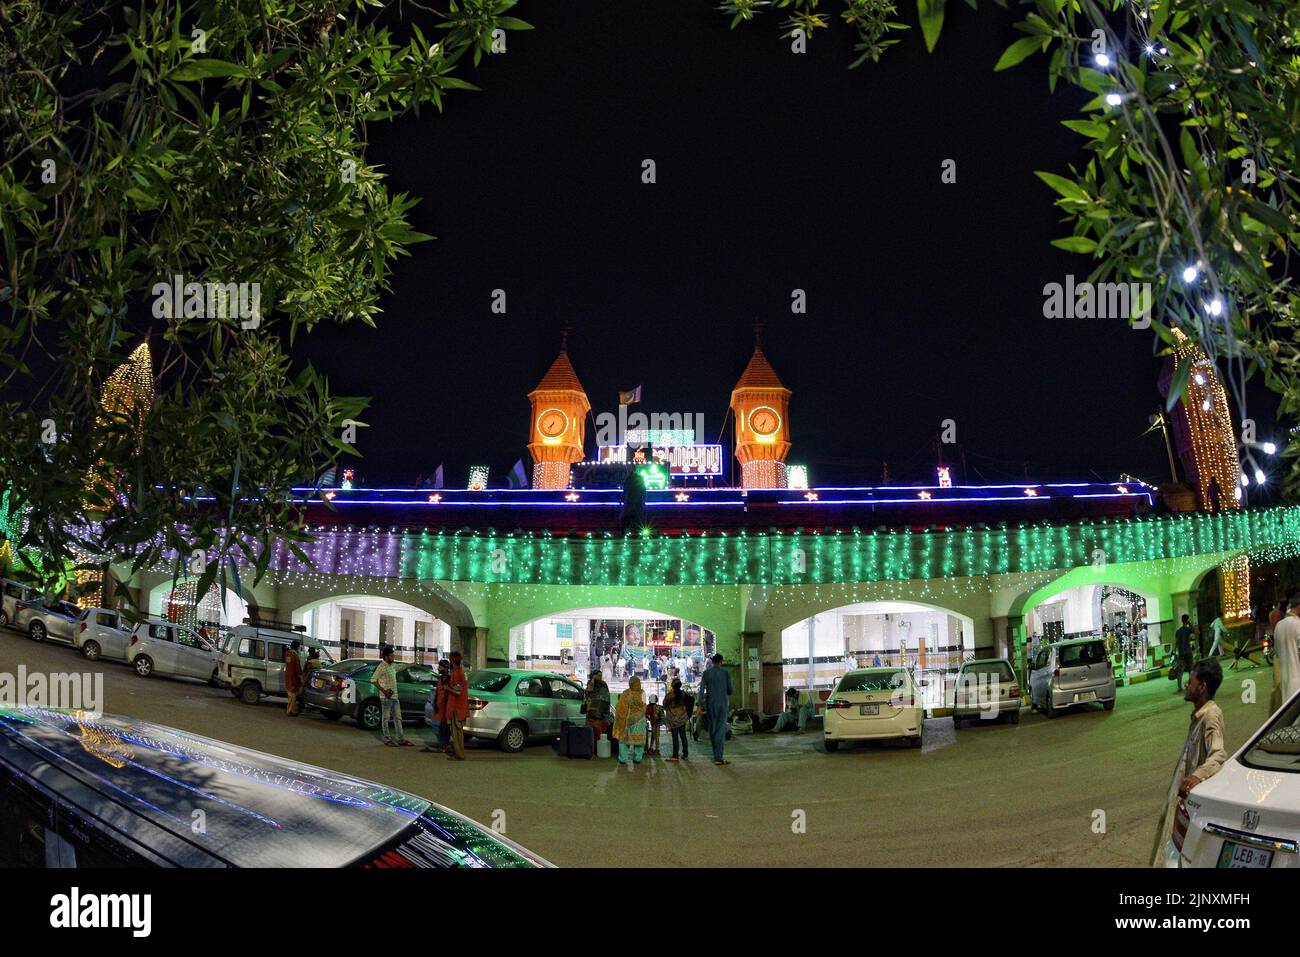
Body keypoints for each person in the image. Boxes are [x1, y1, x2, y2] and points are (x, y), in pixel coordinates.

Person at [1151, 659, 1227, 865]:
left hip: (1193, 808)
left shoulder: (1211, 715)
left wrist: (1196, 776)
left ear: (1202, 687)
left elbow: (1218, 754)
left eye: (1191, 681)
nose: (1186, 684)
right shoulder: (1199, 716)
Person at [699, 653, 734, 765]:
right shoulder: (725, 673)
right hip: (722, 704)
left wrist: (700, 704)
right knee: (720, 730)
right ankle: (718, 757)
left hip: (710, 705)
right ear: (721, 661)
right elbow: (730, 690)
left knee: (713, 729)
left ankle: (716, 755)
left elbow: (701, 691)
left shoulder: (706, 673)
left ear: (712, 661)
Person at [373, 645, 411, 747]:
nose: (393, 657)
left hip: (395, 698)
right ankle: (387, 739)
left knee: (398, 718)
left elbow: (401, 667)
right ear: (386, 657)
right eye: (391, 656)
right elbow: (373, 680)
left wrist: (412, 664)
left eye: (393, 655)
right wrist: (384, 691)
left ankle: (401, 739)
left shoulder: (392, 666)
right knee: (385, 718)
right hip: (386, 698)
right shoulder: (382, 667)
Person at [1272, 595, 1300, 712]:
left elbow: (1277, 654)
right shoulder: (1298, 624)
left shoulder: (1279, 626)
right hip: (1297, 679)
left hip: (1284, 679)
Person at [612, 676, 648, 768]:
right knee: (639, 741)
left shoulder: (626, 693)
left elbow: (620, 707)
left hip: (627, 720)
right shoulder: (642, 693)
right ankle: (637, 758)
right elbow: (644, 707)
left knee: (624, 740)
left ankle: (623, 758)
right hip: (640, 720)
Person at [422, 658, 452, 753]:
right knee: (438, 726)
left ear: (445, 668)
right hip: (439, 707)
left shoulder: (448, 679)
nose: (438, 668)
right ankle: (444, 745)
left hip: (444, 708)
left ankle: (444, 745)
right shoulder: (441, 678)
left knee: (440, 727)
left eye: (440, 667)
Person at [445, 650, 469, 760]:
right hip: (458, 708)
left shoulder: (457, 673)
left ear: (452, 660)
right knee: (458, 733)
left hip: (457, 708)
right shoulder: (459, 672)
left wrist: (447, 688)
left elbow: (458, 691)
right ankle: (459, 753)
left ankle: (459, 755)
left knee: (457, 733)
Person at [662, 678, 693, 762]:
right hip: (682, 718)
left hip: (673, 720)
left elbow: (664, 706)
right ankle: (685, 754)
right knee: (683, 736)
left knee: (675, 737)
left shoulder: (669, 695)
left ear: (672, 685)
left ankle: (675, 755)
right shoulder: (684, 694)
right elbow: (691, 701)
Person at [583, 669, 612, 747]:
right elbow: (588, 691)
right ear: (593, 675)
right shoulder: (590, 683)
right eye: (598, 675)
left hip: (602, 711)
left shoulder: (603, 684)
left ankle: (599, 747)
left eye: (601, 675)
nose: (600, 677)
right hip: (592, 711)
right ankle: (591, 746)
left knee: (601, 732)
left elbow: (607, 696)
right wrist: (593, 680)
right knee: (592, 731)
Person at [1173, 614, 1196, 692]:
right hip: (1188, 652)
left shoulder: (1178, 631)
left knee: (1180, 670)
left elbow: (1176, 643)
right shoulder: (1187, 629)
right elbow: (1197, 632)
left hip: (1181, 653)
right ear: (1187, 620)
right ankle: (1191, 685)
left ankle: (1179, 687)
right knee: (1190, 669)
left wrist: (1175, 652)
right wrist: (1190, 624)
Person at [284, 639, 303, 717]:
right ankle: (290, 711)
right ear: (297, 647)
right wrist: (301, 677)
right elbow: (298, 669)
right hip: (293, 679)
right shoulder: (295, 656)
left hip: (287, 677)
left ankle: (292, 710)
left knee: (290, 696)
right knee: (293, 696)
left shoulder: (287, 654)